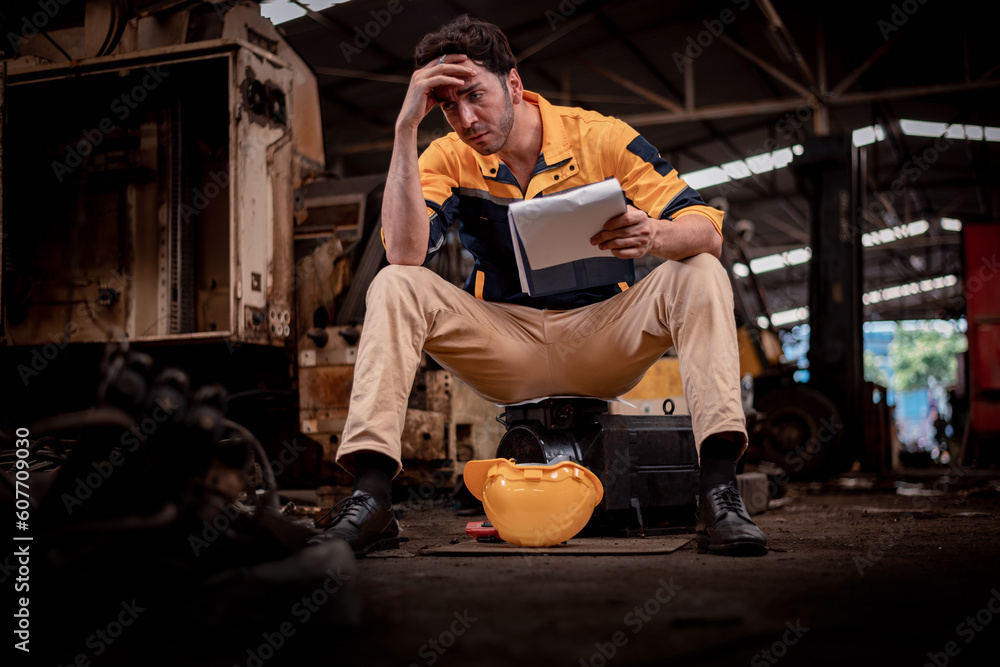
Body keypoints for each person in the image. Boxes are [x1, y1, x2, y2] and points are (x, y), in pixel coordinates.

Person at [307, 15, 767, 557]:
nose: (466, 119)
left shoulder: (602, 138)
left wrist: (655, 233)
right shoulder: (446, 156)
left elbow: (707, 228)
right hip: (507, 344)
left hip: (603, 339)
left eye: (476, 95)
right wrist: (405, 130)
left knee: (700, 270)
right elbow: (406, 252)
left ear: (515, 84)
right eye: (449, 105)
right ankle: (372, 498)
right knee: (394, 284)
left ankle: (716, 492)